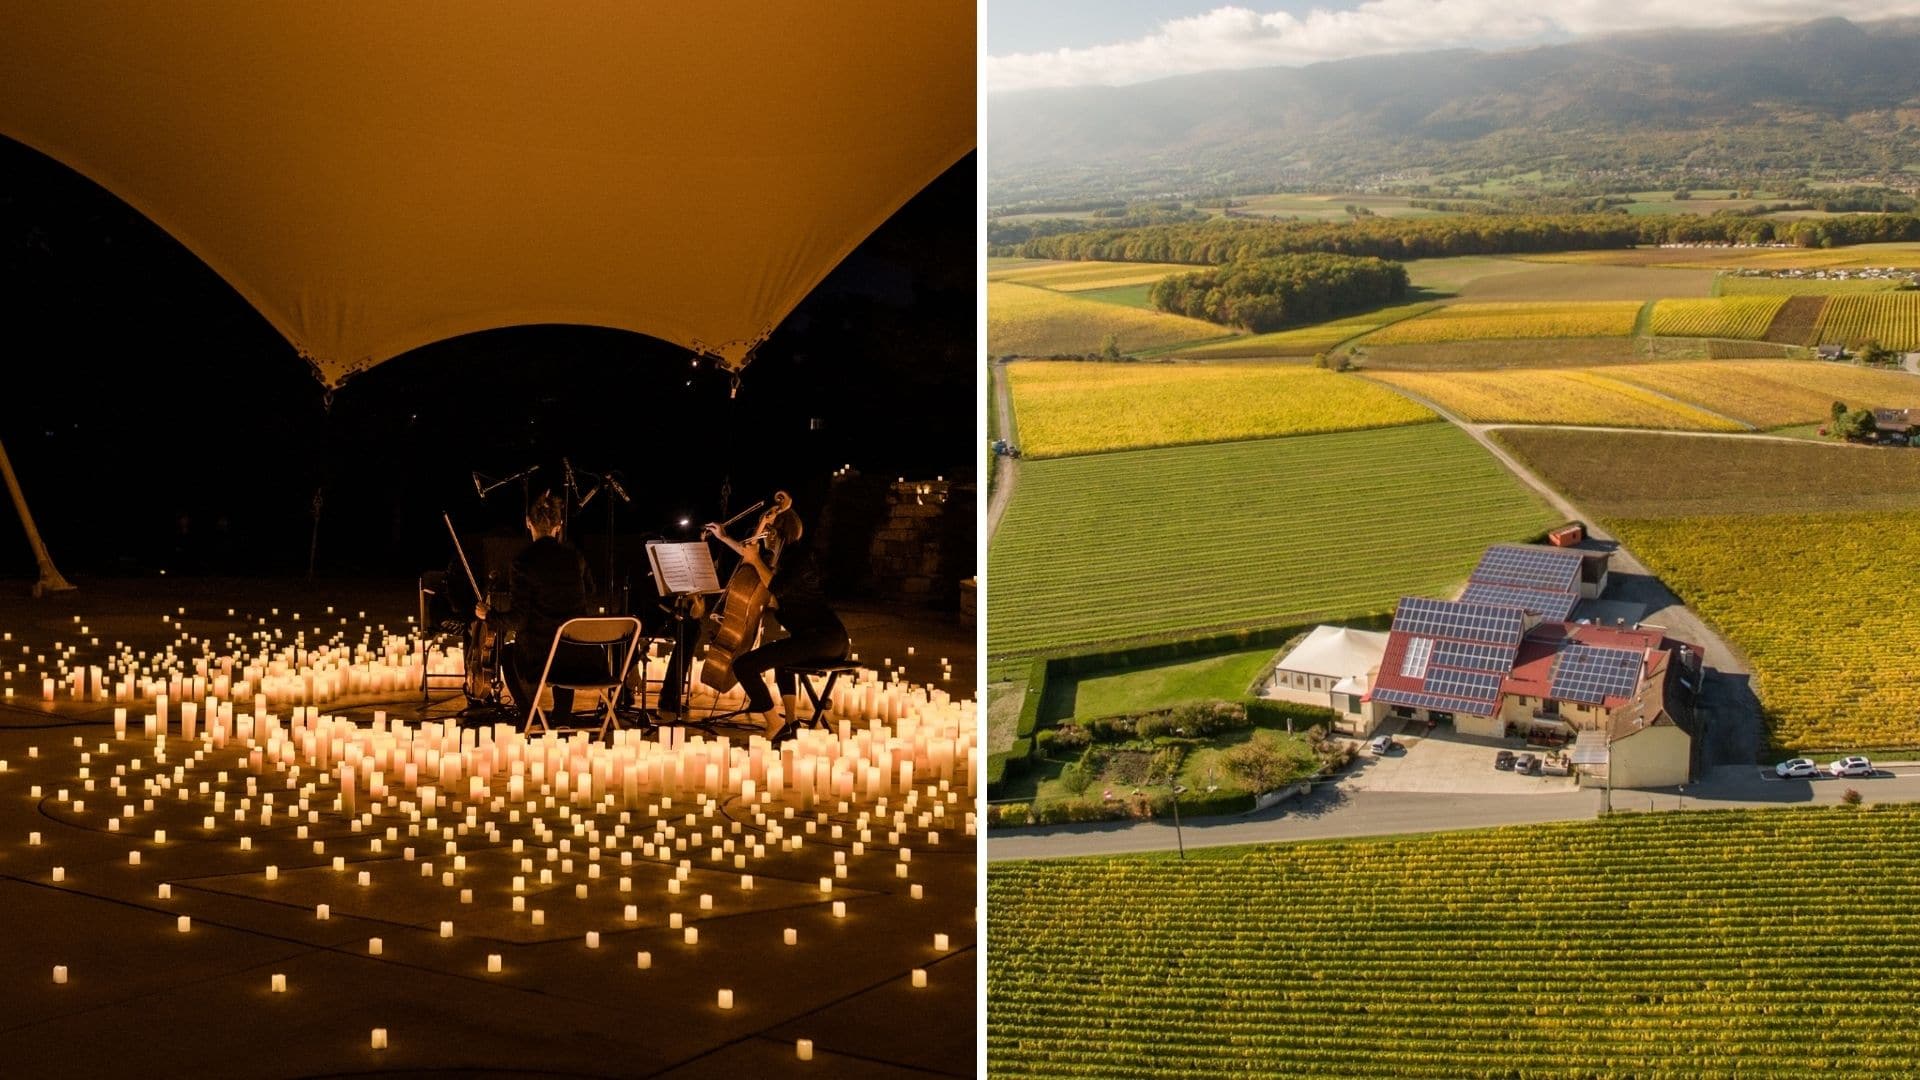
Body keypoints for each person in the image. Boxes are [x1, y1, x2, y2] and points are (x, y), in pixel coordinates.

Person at [708, 501, 848, 739]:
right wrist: (724, 537)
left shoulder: (801, 558)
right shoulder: (781, 560)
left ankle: (774, 724)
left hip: (826, 639)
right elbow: (752, 557)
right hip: (816, 638)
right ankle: (791, 722)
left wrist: (754, 560)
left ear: (779, 534)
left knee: (744, 665)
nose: (764, 538)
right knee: (782, 663)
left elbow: (777, 586)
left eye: (768, 533)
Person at [475, 491, 604, 723]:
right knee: (564, 640)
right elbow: (590, 594)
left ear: (528, 522)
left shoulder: (523, 562)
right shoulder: (575, 557)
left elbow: (518, 620)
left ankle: (530, 714)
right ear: (559, 525)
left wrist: (489, 615)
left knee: (507, 652)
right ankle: (562, 715)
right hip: (580, 656)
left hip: (542, 659)